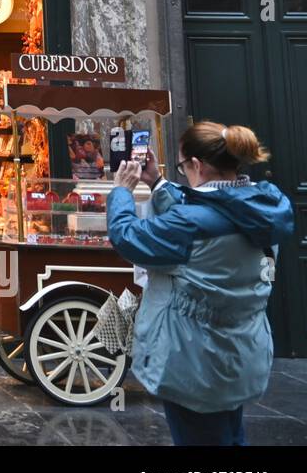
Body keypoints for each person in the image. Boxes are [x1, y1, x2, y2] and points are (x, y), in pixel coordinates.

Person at [108, 121, 294, 446]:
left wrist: (121, 191)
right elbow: (202, 208)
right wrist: (159, 183)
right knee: (231, 435)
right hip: (243, 348)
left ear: (197, 165)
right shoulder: (261, 209)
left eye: (183, 166)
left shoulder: (191, 224)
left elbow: (128, 236)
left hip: (194, 357)